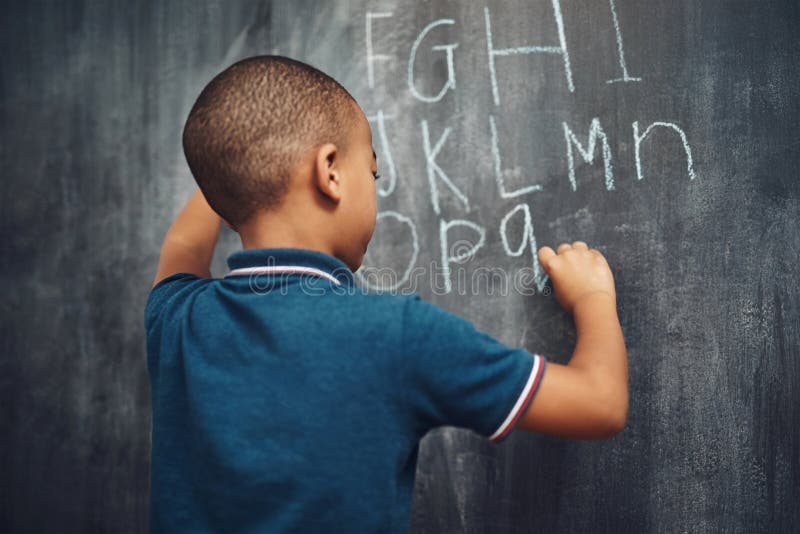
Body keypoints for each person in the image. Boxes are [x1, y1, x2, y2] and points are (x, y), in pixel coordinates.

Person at [144, 55, 628, 533]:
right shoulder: (397, 334)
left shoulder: (176, 319)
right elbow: (600, 403)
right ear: (330, 171)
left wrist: (234, 174)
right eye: (372, 173)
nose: (375, 189)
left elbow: (184, 243)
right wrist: (591, 297)